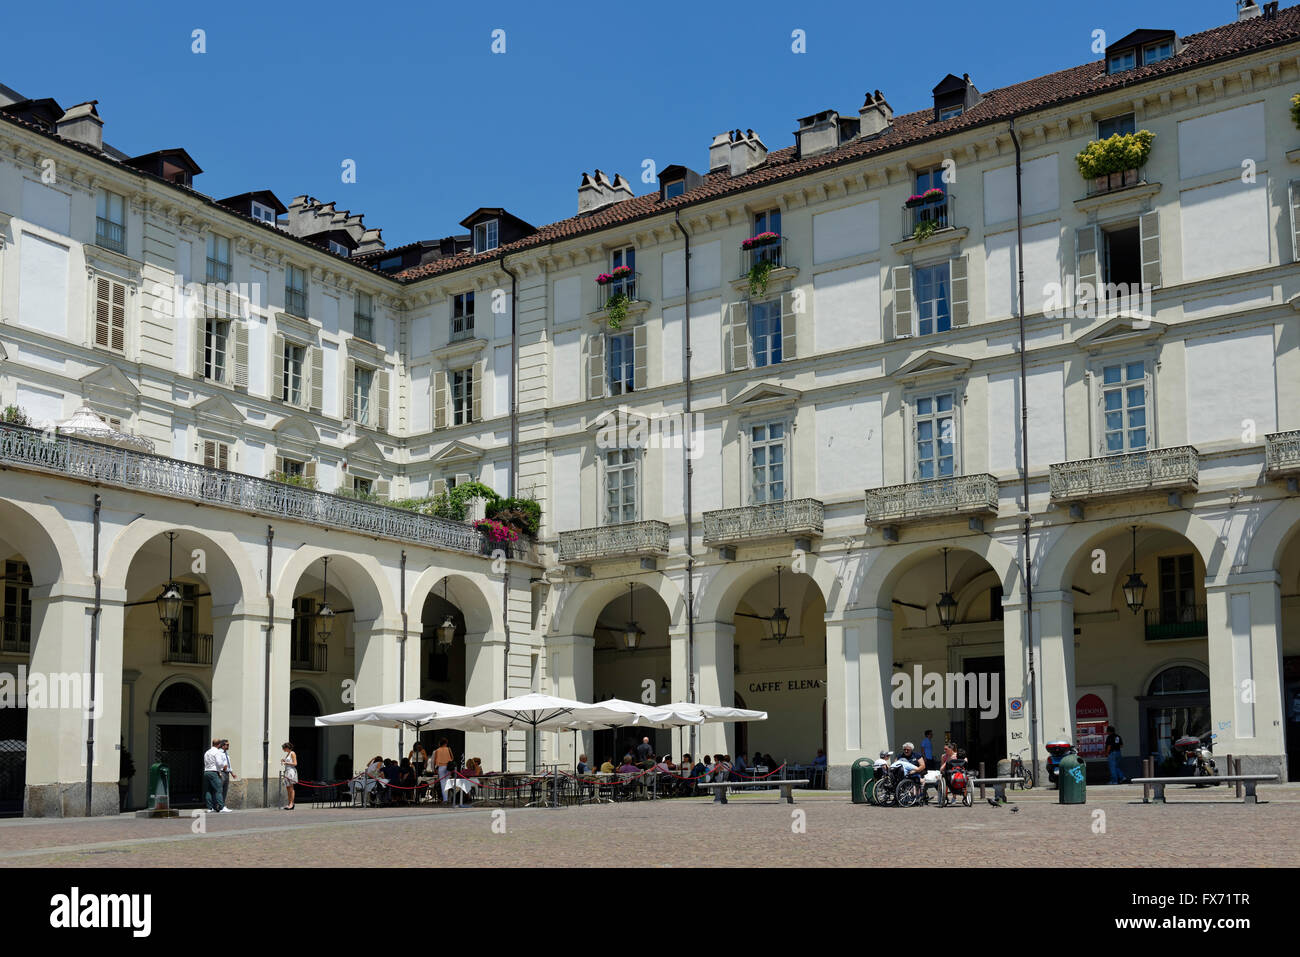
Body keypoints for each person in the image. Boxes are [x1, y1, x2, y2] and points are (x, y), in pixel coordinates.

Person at [202, 737, 229, 812]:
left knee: (208, 790)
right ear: (219, 744)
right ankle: (221, 807)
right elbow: (219, 763)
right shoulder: (217, 752)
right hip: (214, 772)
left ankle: (210, 808)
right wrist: (224, 766)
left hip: (206, 772)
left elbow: (205, 762)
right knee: (218, 789)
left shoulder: (207, 752)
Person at [432, 737, 455, 802]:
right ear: (446, 743)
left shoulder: (437, 750)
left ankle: (445, 799)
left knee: (442, 783)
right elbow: (452, 758)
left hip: (441, 767)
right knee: (447, 782)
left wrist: (434, 769)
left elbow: (434, 760)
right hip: (448, 767)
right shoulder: (448, 749)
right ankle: (448, 798)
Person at [218, 739, 237, 807]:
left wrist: (232, 773)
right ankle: (219, 805)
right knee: (220, 789)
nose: (228, 746)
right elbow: (218, 763)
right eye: (227, 745)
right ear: (223, 745)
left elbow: (228, 764)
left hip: (227, 773)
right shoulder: (219, 753)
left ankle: (222, 805)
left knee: (225, 790)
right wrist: (221, 769)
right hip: (222, 772)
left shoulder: (226, 753)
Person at [280, 742, 298, 809]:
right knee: (288, 788)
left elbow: (295, 763)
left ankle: (291, 803)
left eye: (284, 748)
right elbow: (289, 761)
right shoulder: (288, 754)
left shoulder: (292, 753)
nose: (283, 749)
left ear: (287, 748)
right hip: (287, 771)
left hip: (291, 771)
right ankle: (289, 803)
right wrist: (284, 760)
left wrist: (286, 762)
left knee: (291, 787)